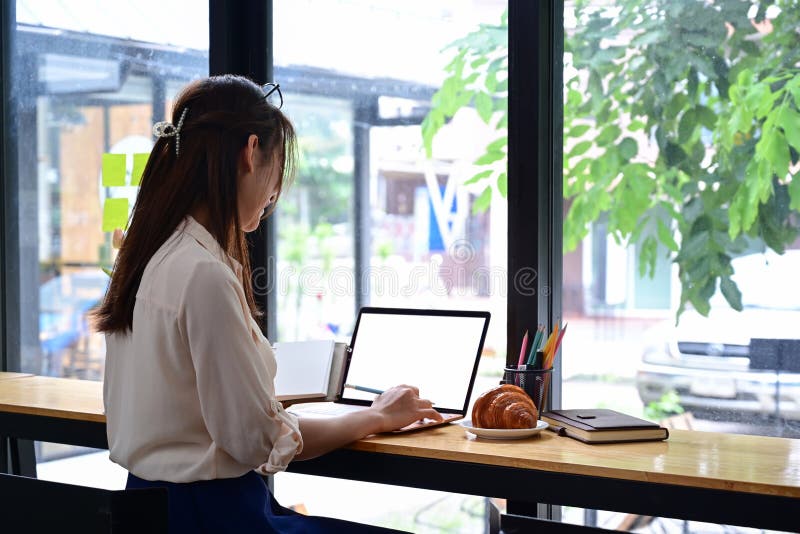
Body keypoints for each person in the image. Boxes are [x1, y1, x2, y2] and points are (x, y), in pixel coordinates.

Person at [93, 74, 442, 533]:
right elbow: (254, 440)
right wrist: (376, 416)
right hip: (214, 517)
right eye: (277, 172)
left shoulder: (147, 257)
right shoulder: (203, 274)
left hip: (149, 510)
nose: (274, 193)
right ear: (251, 151)